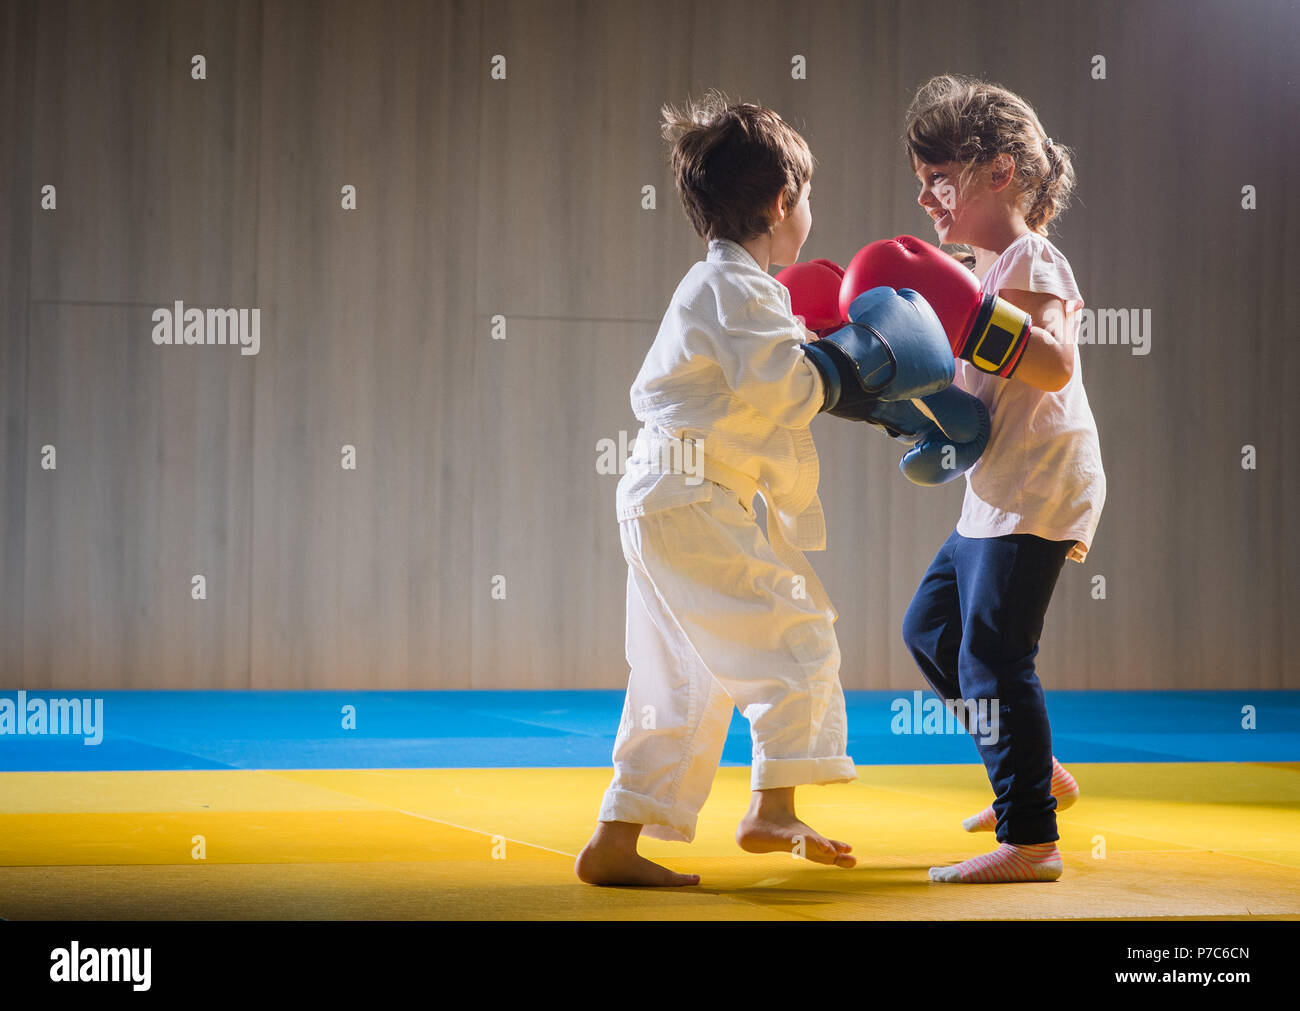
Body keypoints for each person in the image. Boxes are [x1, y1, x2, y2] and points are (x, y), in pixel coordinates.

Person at [575, 91, 955, 886]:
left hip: (667, 494)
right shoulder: (740, 289)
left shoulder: (730, 290)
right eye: (806, 196)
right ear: (784, 201)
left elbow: (780, 387)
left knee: (680, 676)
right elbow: (788, 389)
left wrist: (873, 400)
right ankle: (772, 806)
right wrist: (867, 357)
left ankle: (616, 840)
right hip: (690, 496)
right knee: (798, 630)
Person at [898, 75, 1105, 882]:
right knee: (932, 631)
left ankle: (1032, 839)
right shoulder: (975, 270)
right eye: (919, 182)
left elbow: (1052, 362)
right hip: (995, 487)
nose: (926, 197)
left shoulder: (1029, 256)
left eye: (939, 179)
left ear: (1001, 171)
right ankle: (1036, 768)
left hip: (1041, 483)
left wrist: (969, 316)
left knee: (994, 650)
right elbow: (966, 397)